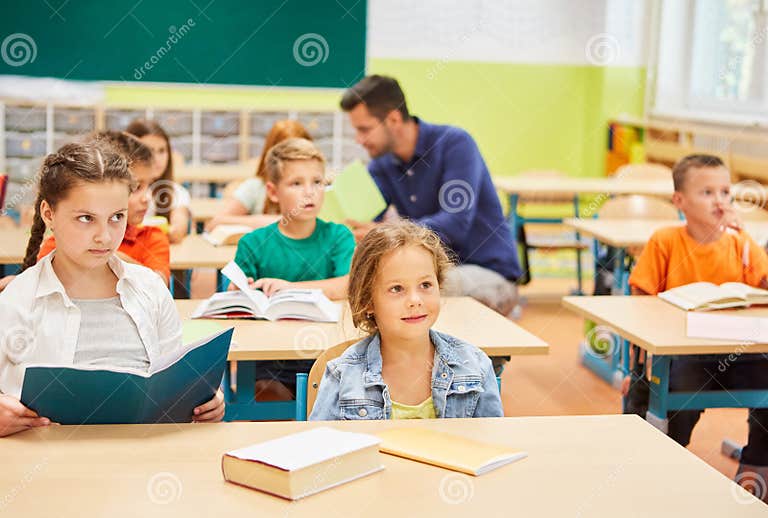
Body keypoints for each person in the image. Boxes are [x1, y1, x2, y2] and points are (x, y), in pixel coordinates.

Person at [0, 142, 224, 437]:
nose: (104, 236)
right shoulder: (16, 301)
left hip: (142, 461)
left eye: (117, 217)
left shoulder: (150, 289)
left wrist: (203, 402)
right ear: (48, 213)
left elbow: (175, 379)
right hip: (50, 468)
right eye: (85, 218)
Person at [626, 154, 768, 501]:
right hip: (682, 357)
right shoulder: (665, 241)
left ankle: (757, 468)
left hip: (739, 353)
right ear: (680, 201)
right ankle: (659, 467)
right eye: (707, 193)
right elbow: (638, 304)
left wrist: (747, 239)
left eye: (725, 192)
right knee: (671, 399)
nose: (720, 201)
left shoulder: (740, 243)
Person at [310, 220, 503, 420]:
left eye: (426, 285)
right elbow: (321, 446)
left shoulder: (475, 365)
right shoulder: (343, 375)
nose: (415, 300)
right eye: (396, 289)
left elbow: (491, 443)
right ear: (368, 301)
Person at [232, 138, 355, 399]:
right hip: (267, 358)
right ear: (273, 192)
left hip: (329, 352)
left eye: (318, 182)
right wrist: (239, 293)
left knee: (343, 393)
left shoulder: (339, 235)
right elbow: (239, 300)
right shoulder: (253, 243)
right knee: (265, 395)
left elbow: (348, 284)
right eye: (296, 183)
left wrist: (288, 289)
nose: (309, 192)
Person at [205, 119, 312, 231]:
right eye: (287, 156)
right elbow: (215, 223)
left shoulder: (315, 190)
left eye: (301, 156)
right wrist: (264, 221)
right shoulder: (256, 187)